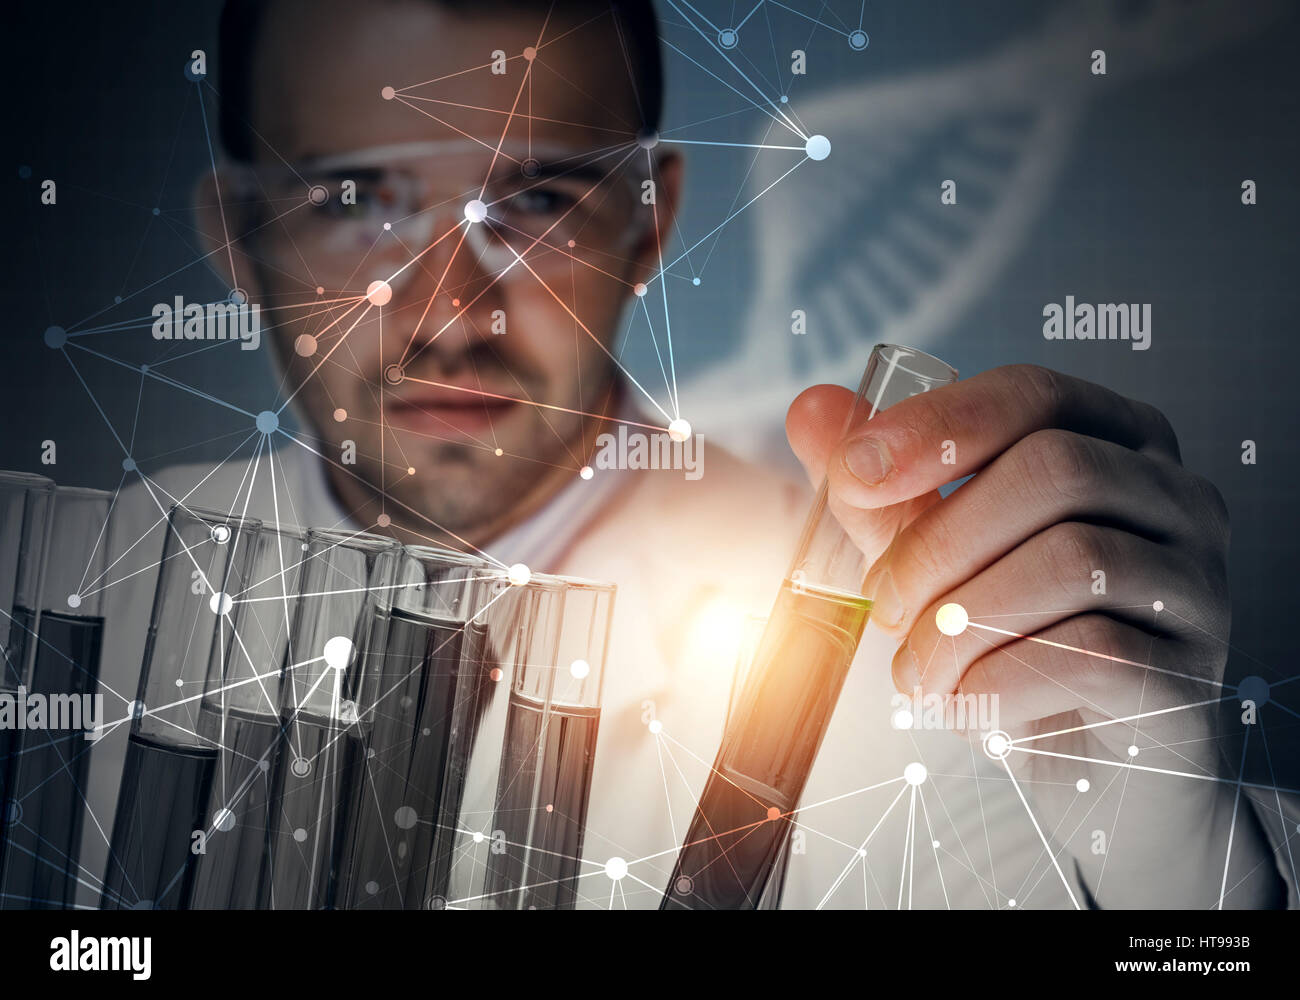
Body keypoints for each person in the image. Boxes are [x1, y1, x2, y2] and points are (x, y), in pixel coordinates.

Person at [82, 0, 1292, 908]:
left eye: (538, 201)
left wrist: (1176, 869)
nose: (451, 314)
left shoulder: (893, 647)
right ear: (236, 237)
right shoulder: (82, 591)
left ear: (648, 219)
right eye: (355, 201)